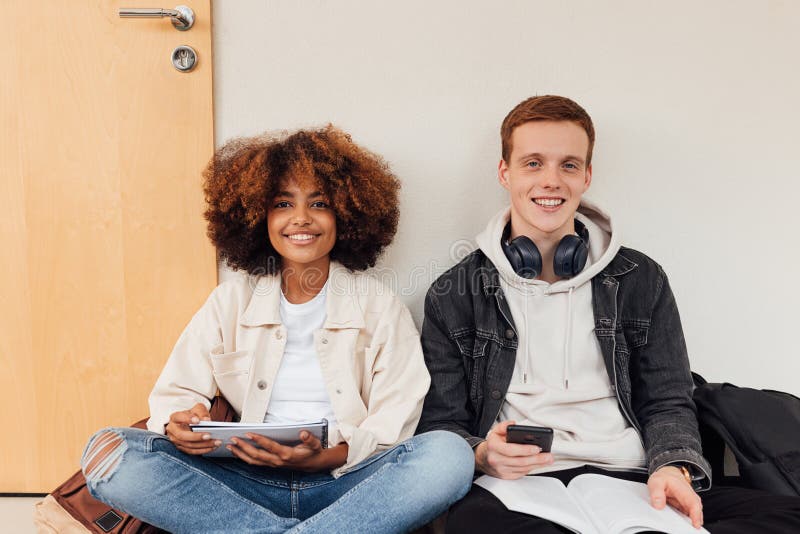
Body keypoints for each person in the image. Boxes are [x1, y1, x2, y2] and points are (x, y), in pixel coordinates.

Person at [417, 95, 800, 533]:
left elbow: (667, 400)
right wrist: (482, 453)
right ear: (505, 173)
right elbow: (442, 425)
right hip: (518, 489)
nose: (551, 181)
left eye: (568, 165)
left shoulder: (641, 279)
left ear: (587, 176)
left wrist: (673, 467)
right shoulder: (454, 293)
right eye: (533, 163)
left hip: (633, 477)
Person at [80, 125, 474, 534]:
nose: (300, 218)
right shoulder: (230, 302)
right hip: (243, 483)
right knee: (111, 451)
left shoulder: (380, 307)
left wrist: (326, 456)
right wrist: (179, 423)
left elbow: (395, 418)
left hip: (349, 482)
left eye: (318, 203)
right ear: (258, 215)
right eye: (283, 203)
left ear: (346, 214)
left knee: (449, 455)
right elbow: (175, 395)